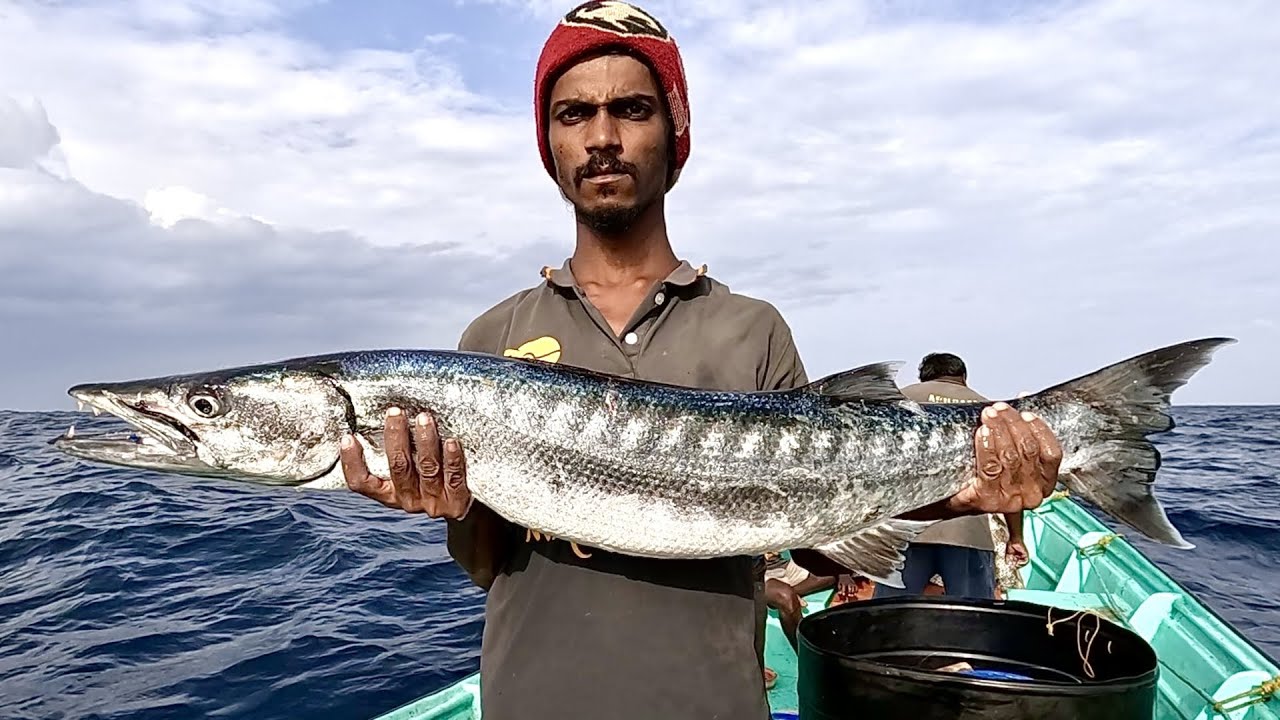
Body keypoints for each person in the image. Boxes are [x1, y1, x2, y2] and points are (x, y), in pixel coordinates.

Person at [338, 2, 1063, 718]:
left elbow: (818, 543)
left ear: (673, 133)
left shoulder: (753, 328)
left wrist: (958, 492)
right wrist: (446, 501)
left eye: (631, 109)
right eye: (573, 114)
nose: (602, 137)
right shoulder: (491, 335)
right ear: (548, 142)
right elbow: (485, 563)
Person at [871, 352, 1030, 599]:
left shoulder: (899, 399)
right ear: (963, 378)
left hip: (905, 530)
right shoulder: (990, 410)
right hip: (968, 532)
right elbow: (1009, 482)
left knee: (890, 615)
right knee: (975, 617)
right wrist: (1016, 537)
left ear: (923, 377)